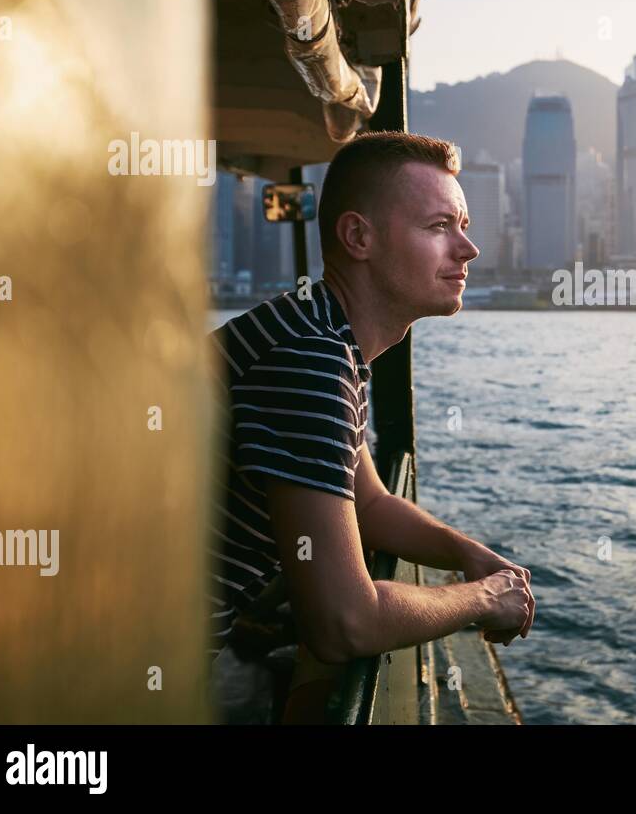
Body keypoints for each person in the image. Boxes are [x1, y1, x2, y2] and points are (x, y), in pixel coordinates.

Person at [207, 131, 534, 690]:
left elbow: (369, 502)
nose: (467, 249)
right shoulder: (309, 360)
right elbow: (343, 625)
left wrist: (466, 552)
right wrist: (482, 599)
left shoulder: (317, 331)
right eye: (438, 227)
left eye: (464, 227)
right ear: (358, 236)